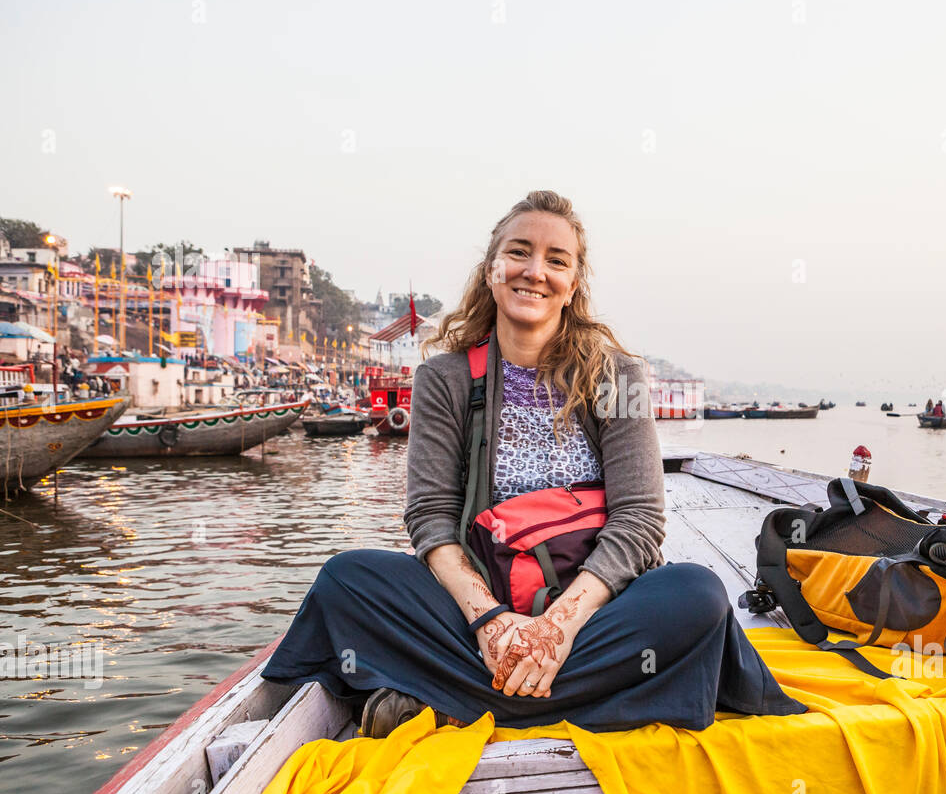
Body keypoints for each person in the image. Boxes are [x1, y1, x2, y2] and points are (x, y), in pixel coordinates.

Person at [263, 190, 805, 737]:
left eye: (556, 260)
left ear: (573, 285)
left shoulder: (618, 378)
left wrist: (556, 628)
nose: (535, 272)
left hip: (594, 611)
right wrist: (491, 622)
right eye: (519, 252)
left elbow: (639, 520)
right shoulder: (443, 379)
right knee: (347, 579)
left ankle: (462, 701)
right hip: (480, 605)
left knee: (697, 597)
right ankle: (572, 696)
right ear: (492, 270)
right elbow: (430, 517)